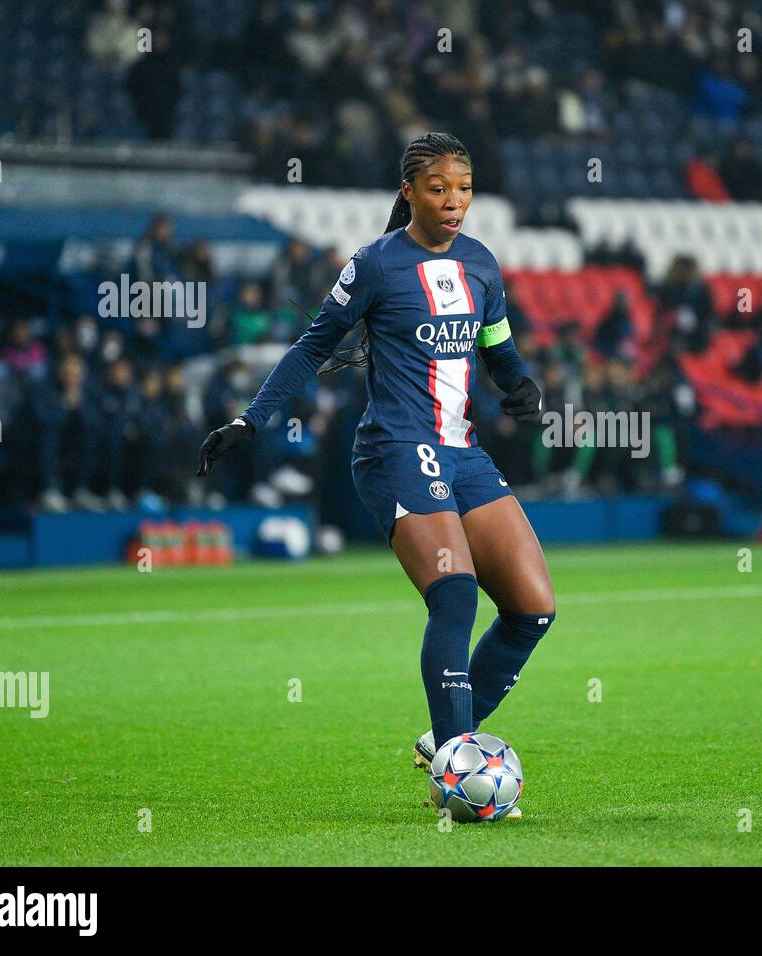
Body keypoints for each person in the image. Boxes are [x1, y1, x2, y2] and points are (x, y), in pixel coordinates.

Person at [195, 134, 555, 815]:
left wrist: (521, 386)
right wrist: (251, 420)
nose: (455, 202)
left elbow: (497, 348)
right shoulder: (376, 266)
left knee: (533, 608)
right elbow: (312, 348)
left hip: (463, 451)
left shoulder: (481, 265)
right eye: (441, 188)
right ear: (410, 192)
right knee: (455, 596)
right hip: (395, 449)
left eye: (465, 188)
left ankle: (443, 737)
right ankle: (455, 766)